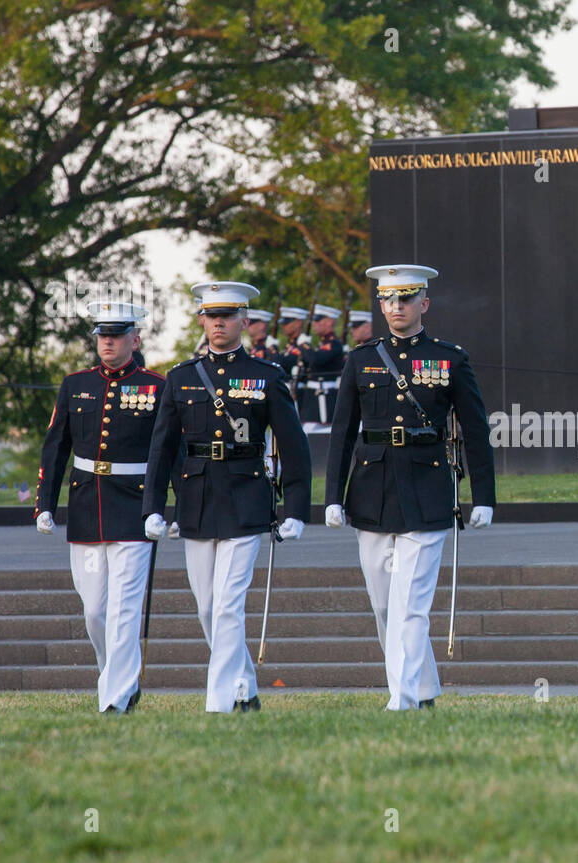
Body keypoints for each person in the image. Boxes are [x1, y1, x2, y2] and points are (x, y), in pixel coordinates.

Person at [323, 264, 496, 711]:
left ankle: (401, 700)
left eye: (406, 298)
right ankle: (423, 688)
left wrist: (485, 497)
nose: (397, 307)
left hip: (427, 488)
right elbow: (343, 433)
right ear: (380, 305)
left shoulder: (449, 358)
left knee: (410, 606)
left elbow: (476, 431)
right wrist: (332, 497)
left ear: (424, 303)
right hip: (371, 489)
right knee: (384, 605)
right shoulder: (361, 359)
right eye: (389, 299)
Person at [143, 281, 312, 713]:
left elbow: (294, 447)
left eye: (229, 315)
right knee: (207, 608)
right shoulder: (180, 378)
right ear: (202, 320)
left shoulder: (266, 376)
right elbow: (162, 448)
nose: (219, 322)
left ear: (243, 321)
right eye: (212, 315)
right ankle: (245, 690)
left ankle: (217, 703)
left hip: (246, 497)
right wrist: (153, 508)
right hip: (197, 498)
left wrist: (295, 508)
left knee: (227, 606)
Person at [33, 300, 163, 715]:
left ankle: (115, 697)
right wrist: (44, 504)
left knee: (124, 609)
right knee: (94, 612)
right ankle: (118, 676)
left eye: (117, 335)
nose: (108, 342)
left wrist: (164, 506)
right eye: (102, 336)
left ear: (134, 339)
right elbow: (56, 449)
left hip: (134, 506)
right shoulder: (75, 385)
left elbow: (168, 451)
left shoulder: (156, 386)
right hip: (87, 505)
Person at [299, 305, 346, 428]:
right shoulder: (322, 344)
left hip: (324, 398)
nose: (314, 324)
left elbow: (316, 360)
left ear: (329, 322)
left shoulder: (333, 344)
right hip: (312, 397)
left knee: (321, 433)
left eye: (318, 320)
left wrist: (304, 346)